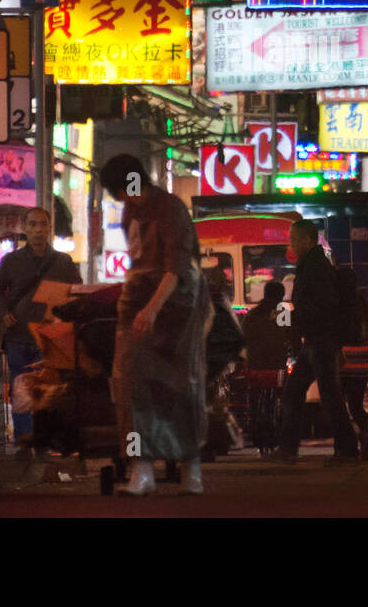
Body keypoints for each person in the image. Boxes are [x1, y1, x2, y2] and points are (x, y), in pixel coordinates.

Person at [99, 154, 212, 496]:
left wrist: (151, 310)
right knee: (131, 384)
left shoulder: (172, 209)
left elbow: (176, 269)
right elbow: (137, 260)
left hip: (177, 304)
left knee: (183, 386)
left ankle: (191, 467)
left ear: (133, 183)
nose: (123, 201)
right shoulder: (130, 210)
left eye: (123, 192)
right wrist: (138, 306)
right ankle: (141, 468)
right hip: (138, 300)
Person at [273, 219, 360, 466]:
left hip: (321, 341)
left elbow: (321, 306)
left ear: (308, 240)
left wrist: (290, 316)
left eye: (295, 239)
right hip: (316, 341)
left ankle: (347, 451)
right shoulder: (311, 264)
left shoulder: (315, 267)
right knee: (295, 392)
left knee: (328, 397)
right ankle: (289, 449)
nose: (291, 243)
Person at [0, 207, 81, 442]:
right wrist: (3, 312)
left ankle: (47, 439)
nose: (38, 229)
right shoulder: (12, 261)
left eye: (42, 224)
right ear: (25, 229)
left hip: (51, 338)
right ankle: (24, 438)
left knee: (50, 388)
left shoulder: (64, 262)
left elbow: (77, 292)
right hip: (18, 336)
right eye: (32, 224)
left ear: (49, 228)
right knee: (20, 388)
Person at [336, 264, 368, 461]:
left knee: (338, 405)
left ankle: (342, 446)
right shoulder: (363, 305)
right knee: (356, 405)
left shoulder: (336, 304)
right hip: (361, 361)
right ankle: (364, 434)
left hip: (340, 360)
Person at [242, 280, 291, 455]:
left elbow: (244, 338)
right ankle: (280, 428)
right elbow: (288, 336)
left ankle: (253, 425)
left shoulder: (252, 314)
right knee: (284, 396)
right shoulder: (281, 312)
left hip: (255, 364)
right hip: (276, 365)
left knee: (254, 396)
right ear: (279, 296)